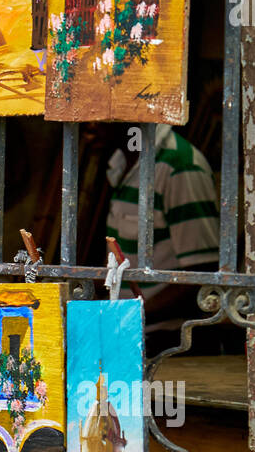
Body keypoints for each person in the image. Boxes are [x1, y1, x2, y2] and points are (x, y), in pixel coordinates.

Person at [92, 122, 221, 352]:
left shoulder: (179, 167)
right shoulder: (124, 163)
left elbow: (201, 277)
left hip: (167, 345)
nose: (89, 123)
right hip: (129, 335)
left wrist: (129, 316)